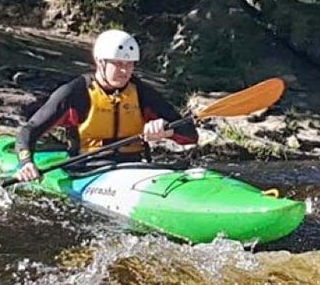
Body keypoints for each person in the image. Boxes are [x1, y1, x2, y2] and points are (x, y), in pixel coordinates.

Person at [13, 29, 199, 182]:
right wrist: (27, 162)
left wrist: (168, 132)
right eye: (118, 64)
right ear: (100, 62)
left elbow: (191, 135)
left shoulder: (142, 93)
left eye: (130, 64)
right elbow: (29, 130)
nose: (125, 71)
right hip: (87, 170)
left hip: (136, 168)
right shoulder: (75, 93)